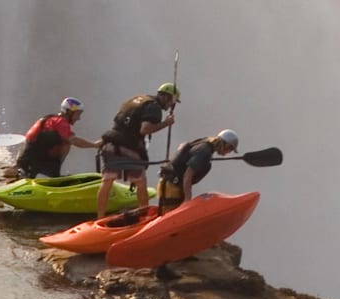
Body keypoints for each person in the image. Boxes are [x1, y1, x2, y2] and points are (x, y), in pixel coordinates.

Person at [95, 82, 179, 218]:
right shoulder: (154, 107)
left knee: (107, 180)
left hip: (109, 144)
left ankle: (100, 217)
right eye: (172, 102)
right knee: (140, 182)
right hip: (128, 147)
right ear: (167, 98)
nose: (170, 106)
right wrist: (166, 123)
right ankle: (144, 217)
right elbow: (144, 129)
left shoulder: (137, 99)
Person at [14, 97, 99, 178]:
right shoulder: (60, 122)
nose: (79, 118)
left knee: (63, 141)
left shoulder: (52, 119)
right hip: (30, 160)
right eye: (77, 114)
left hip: (29, 158)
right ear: (69, 112)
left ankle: (52, 174)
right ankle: (32, 174)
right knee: (67, 142)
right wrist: (94, 145)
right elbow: (74, 141)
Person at [156, 129, 239, 211]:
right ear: (224, 144)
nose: (228, 152)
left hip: (169, 183)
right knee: (170, 214)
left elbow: (182, 147)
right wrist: (188, 200)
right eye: (230, 149)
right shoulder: (204, 151)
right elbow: (187, 176)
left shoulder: (203, 143)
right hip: (171, 187)